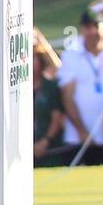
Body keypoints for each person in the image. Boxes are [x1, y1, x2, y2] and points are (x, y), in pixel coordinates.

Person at [58, 8, 103, 165]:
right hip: (77, 138)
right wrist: (82, 131)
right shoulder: (71, 55)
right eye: (88, 27)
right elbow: (67, 97)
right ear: (82, 29)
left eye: (96, 26)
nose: (92, 31)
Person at [31, 29, 67, 167]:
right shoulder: (17, 90)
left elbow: (56, 118)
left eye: (33, 57)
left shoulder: (50, 86)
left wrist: (45, 141)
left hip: (49, 150)